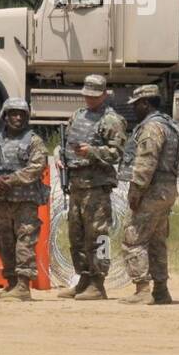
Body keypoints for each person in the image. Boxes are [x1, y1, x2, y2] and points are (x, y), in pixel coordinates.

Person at [57, 74, 126, 300]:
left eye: (94, 96)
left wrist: (93, 152)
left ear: (104, 95)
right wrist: (60, 157)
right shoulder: (77, 116)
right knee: (76, 236)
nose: (89, 99)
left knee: (99, 236)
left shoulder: (112, 120)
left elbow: (117, 153)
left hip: (97, 187)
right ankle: (83, 279)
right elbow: (66, 144)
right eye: (86, 94)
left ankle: (98, 283)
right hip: (76, 185)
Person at [119, 84, 179, 305]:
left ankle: (142, 289)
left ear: (145, 104)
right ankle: (161, 290)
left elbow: (146, 161)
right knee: (157, 240)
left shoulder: (152, 128)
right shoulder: (170, 126)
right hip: (168, 189)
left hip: (152, 189)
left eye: (136, 105)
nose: (134, 110)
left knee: (134, 237)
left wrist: (136, 190)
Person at [0, 97, 49, 301]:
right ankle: (11, 282)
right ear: (5, 116)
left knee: (25, 240)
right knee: (4, 241)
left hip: (25, 202)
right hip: (3, 201)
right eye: (13, 114)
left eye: (21, 114)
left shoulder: (34, 141)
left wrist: (9, 180)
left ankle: (23, 286)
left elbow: (36, 169)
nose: (17, 118)